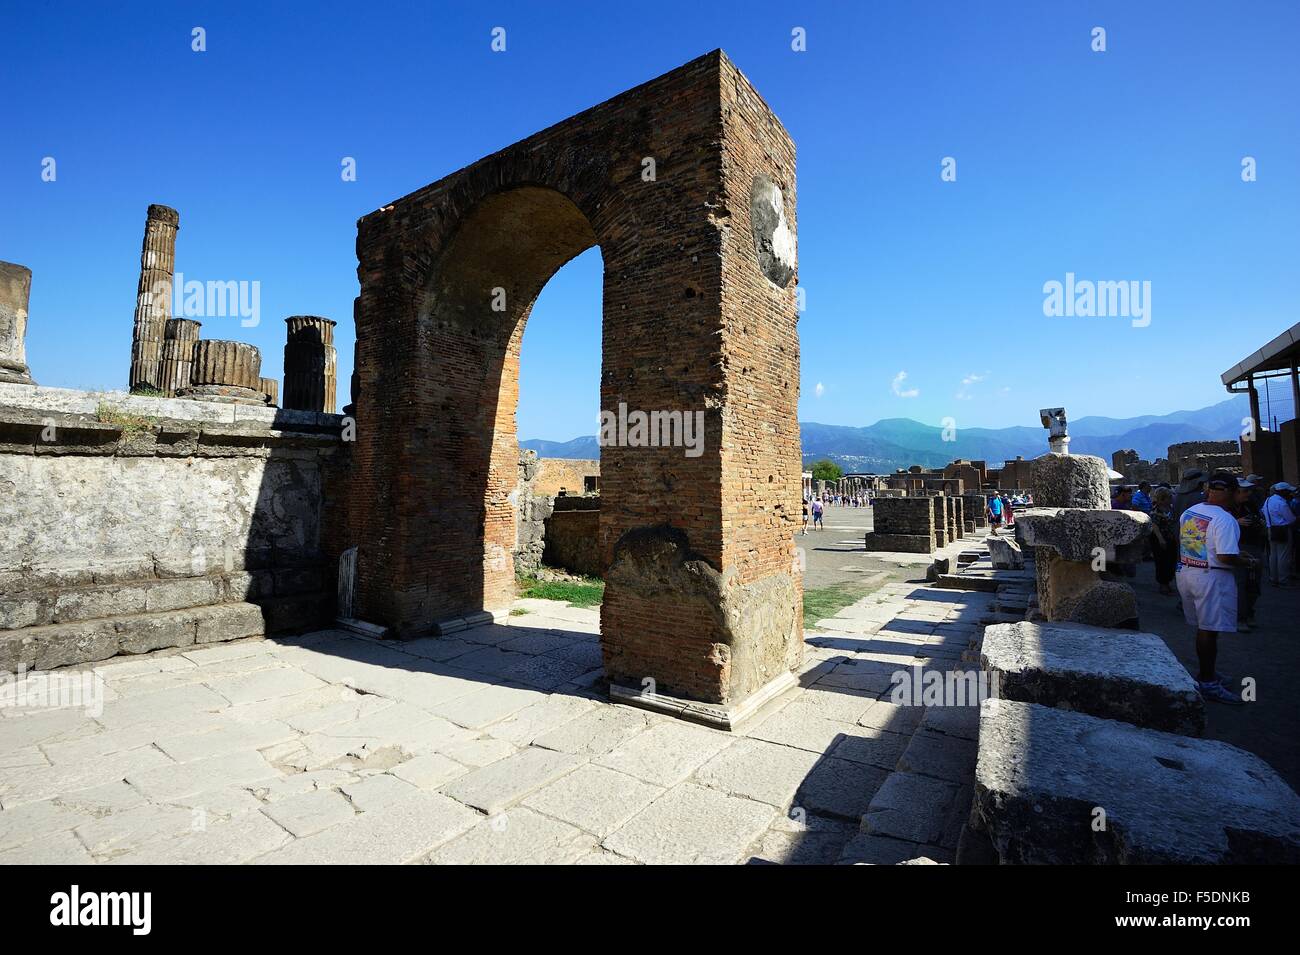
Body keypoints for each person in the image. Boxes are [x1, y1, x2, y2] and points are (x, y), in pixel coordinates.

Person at [1176, 471, 1258, 704]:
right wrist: (1247, 561)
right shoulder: (1225, 519)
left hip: (1188, 570)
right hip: (1211, 577)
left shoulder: (1190, 512)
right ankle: (1208, 680)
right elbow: (1225, 556)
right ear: (1230, 492)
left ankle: (1208, 672)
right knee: (1209, 631)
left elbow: (1200, 544)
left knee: (1204, 629)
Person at [1263, 482, 1297, 586]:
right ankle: (1283, 578)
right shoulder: (1281, 503)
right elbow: (1291, 519)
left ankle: (1274, 577)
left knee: (1273, 555)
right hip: (1283, 529)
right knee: (1283, 555)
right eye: (1288, 491)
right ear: (1283, 492)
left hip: (1271, 528)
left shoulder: (1268, 500)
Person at [1148, 487, 1178, 595]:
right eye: (1169, 497)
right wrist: (1161, 539)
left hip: (1170, 537)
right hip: (1159, 538)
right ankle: (1163, 585)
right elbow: (1155, 526)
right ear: (1163, 499)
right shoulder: (1156, 510)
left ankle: (1167, 582)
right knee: (1162, 561)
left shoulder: (1170, 508)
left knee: (1171, 561)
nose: (1171, 499)